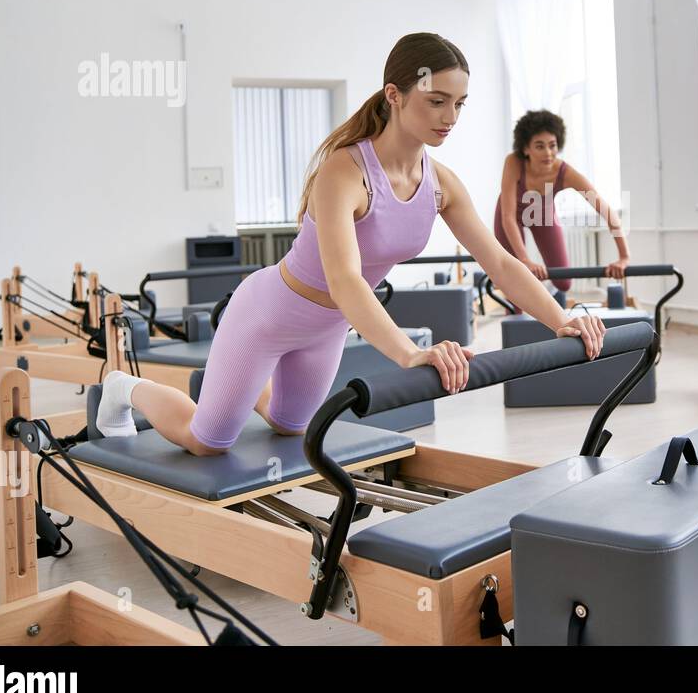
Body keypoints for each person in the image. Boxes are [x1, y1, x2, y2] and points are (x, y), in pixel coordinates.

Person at [95, 33, 606, 454]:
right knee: (207, 441)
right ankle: (126, 389)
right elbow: (344, 279)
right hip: (267, 313)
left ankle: (244, 387)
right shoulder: (345, 171)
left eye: (459, 104)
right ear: (394, 95)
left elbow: (498, 260)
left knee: (290, 426)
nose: (450, 116)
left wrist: (562, 318)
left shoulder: (440, 182)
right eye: (436, 101)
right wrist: (409, 355)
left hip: (327, 329)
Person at [493, 109, 630, 292]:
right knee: (516, 276)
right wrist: (525, 260)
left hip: (543, 215)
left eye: (552, 145)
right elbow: (508, 216)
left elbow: (606, 212)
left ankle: (544, 297)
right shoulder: (513, 163)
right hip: (508, 216)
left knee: (563, 282)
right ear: (526, 148)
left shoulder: (566, 174)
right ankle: (515, 313)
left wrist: (624, 256)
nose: (548, 153)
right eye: (540, 146)